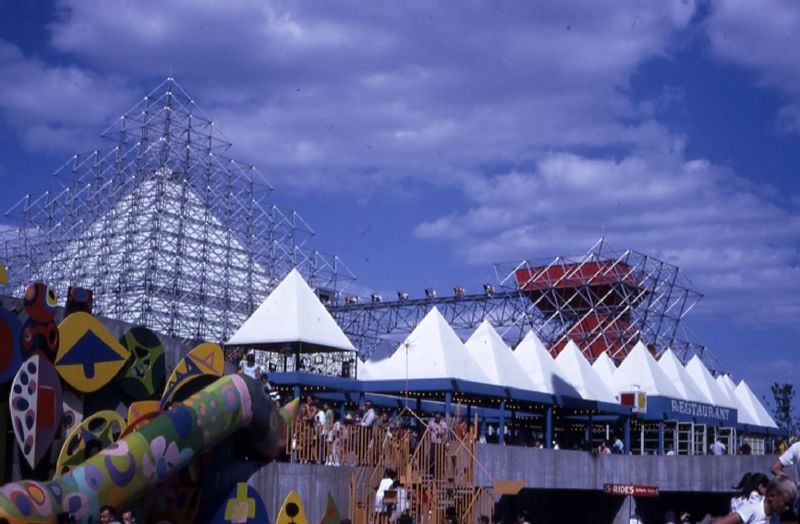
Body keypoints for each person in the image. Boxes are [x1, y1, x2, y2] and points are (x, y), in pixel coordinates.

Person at [715, 475, 797, 524]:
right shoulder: (753, 510)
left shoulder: (775, 517)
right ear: (772, 496)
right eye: (786, 504)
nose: (787, 508)